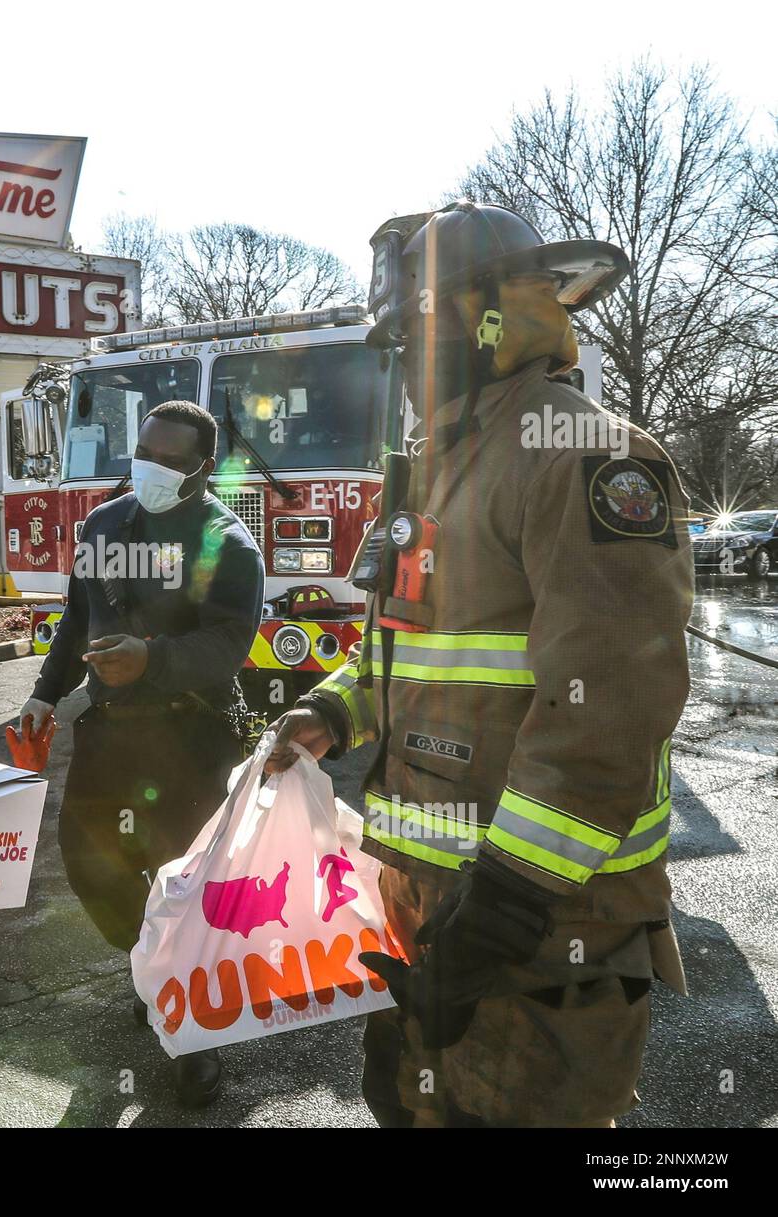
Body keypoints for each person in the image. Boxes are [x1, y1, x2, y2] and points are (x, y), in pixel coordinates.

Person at [270, 202, 694, 1128]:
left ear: (480, 317)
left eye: (410, 337)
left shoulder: (585, 455)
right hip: (428, 907)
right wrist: (337, 711)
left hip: (545, 930)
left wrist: (501, 908)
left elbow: (611, 710)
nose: (404, 368)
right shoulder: (441, 464)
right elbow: (416, 646)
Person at [21, 400, 264, 1106]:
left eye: (169, 459)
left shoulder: (228, 543)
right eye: (145, 452)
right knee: (91, 861)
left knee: (186, 888)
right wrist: (44, 692)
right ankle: (153, 969)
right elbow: (77, 618)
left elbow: (228, 645)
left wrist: (151, 659)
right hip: (110, 730)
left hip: (192, 735)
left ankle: (195, 1033)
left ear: (200, 469)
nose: (150, 467)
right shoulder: (102, 523)